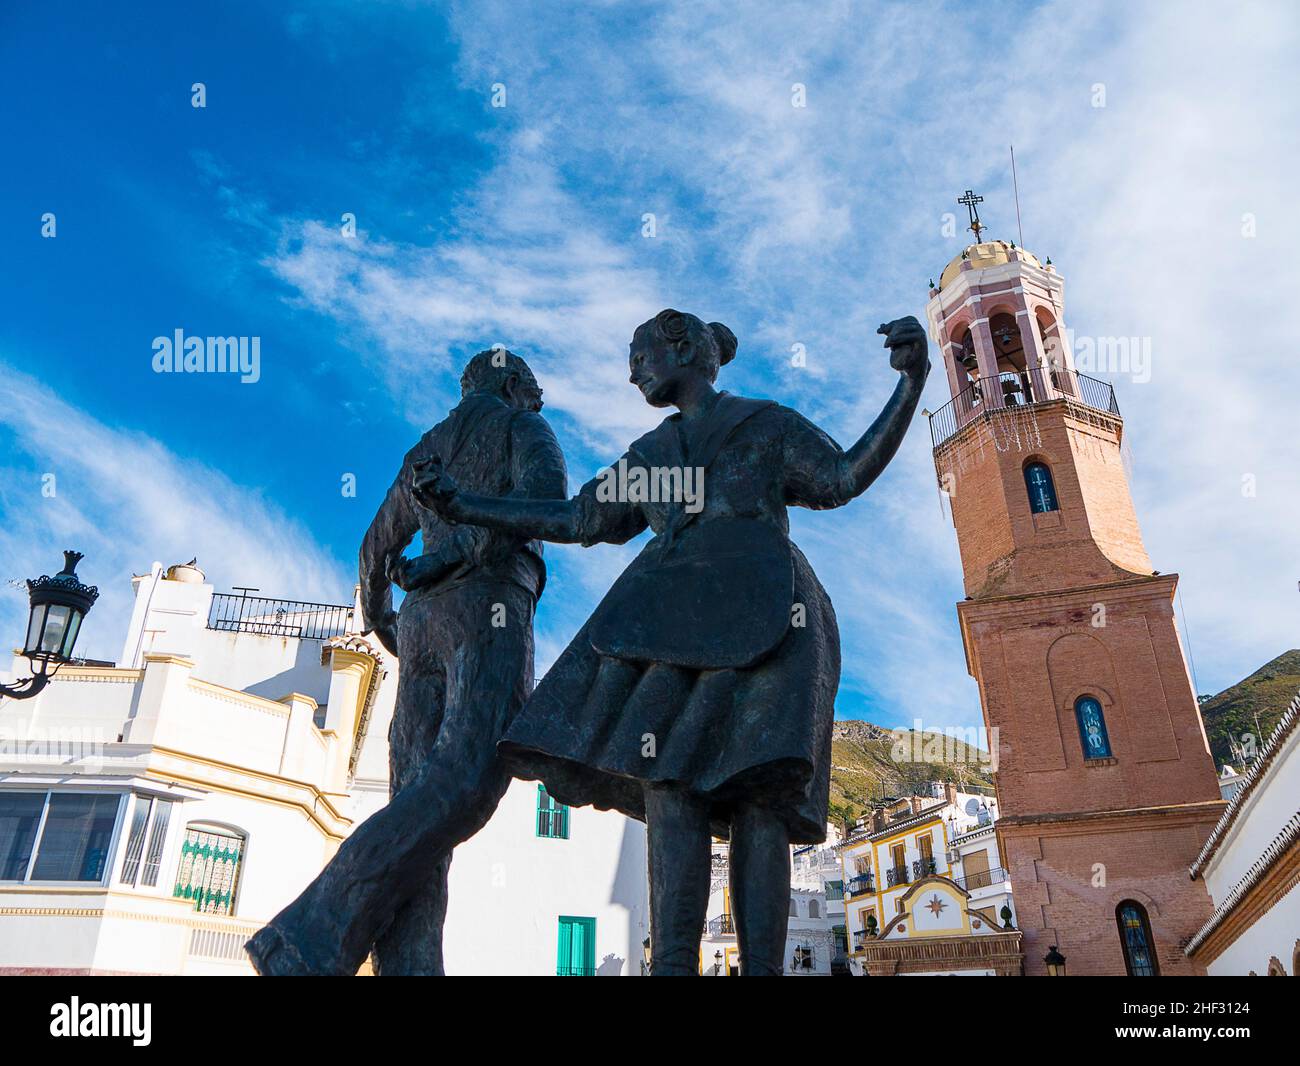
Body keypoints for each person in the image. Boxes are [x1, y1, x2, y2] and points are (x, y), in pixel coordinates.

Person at [414, 309, 929, 975]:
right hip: (668, 614)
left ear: (681, 345)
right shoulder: (653, 455)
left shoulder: (765, 424)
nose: (631, 372)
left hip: (769, 609)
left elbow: (839, 478)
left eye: (641, 353)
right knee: (668, 780)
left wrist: (909, 385)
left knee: (760, 798)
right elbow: (576, 517)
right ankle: (674, 965)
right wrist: (464, 503)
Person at [245, 348, 567, 975]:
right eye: (532, 392)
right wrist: (459, 558)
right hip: (490, 604)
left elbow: (374, 547)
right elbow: (544, 504)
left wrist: (383, 616)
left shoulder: (427, 447)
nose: (537, 404)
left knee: (419, 808)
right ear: (510, 384)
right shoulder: (521, 429)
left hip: (420, 625)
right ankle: (305, 935)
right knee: (465, 783)